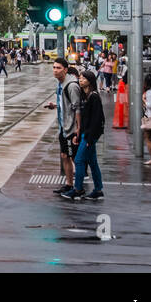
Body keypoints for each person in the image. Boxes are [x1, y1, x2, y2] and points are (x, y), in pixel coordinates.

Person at [61, 68, 105, 200]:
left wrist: (89, 139)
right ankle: (98, 189)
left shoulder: (94, 97)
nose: (80, 80)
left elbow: (97, 120)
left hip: (90, 136)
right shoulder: (86, 96)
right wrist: (79, 133)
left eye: (83, 78)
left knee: (79, 160)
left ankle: (78, 189)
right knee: (92, 162)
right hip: (86, 134)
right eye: (79, 77)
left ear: (90, 81)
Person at [47, 58, 82, 194]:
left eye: (58, 68)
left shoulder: (72, 85)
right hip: (63, 126)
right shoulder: (60, 84)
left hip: (71, 128)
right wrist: (55, 105)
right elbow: (65, 103)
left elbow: (77, 108)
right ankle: (68, 184)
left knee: (74, 158)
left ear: (66, 70)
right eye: (54, 67)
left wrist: (78, 129)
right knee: (64, 156)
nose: (55, 70)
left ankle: (78, 187)